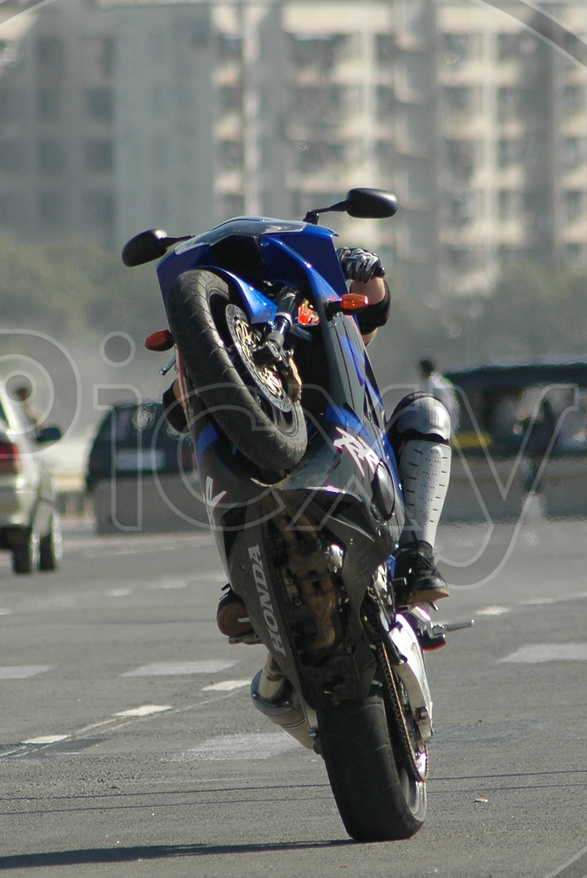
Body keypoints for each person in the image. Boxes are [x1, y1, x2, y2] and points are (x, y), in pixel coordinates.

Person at [189, 247, 454, 642]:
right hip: (266, 475)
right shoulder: (225, 348)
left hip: (349, 447)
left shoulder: (319, 312)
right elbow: (180, 411)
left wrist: (367, 267)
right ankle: (246, 578)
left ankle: (416, 557)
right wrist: (190, 359)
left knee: (427, 413)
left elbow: (372, 313)